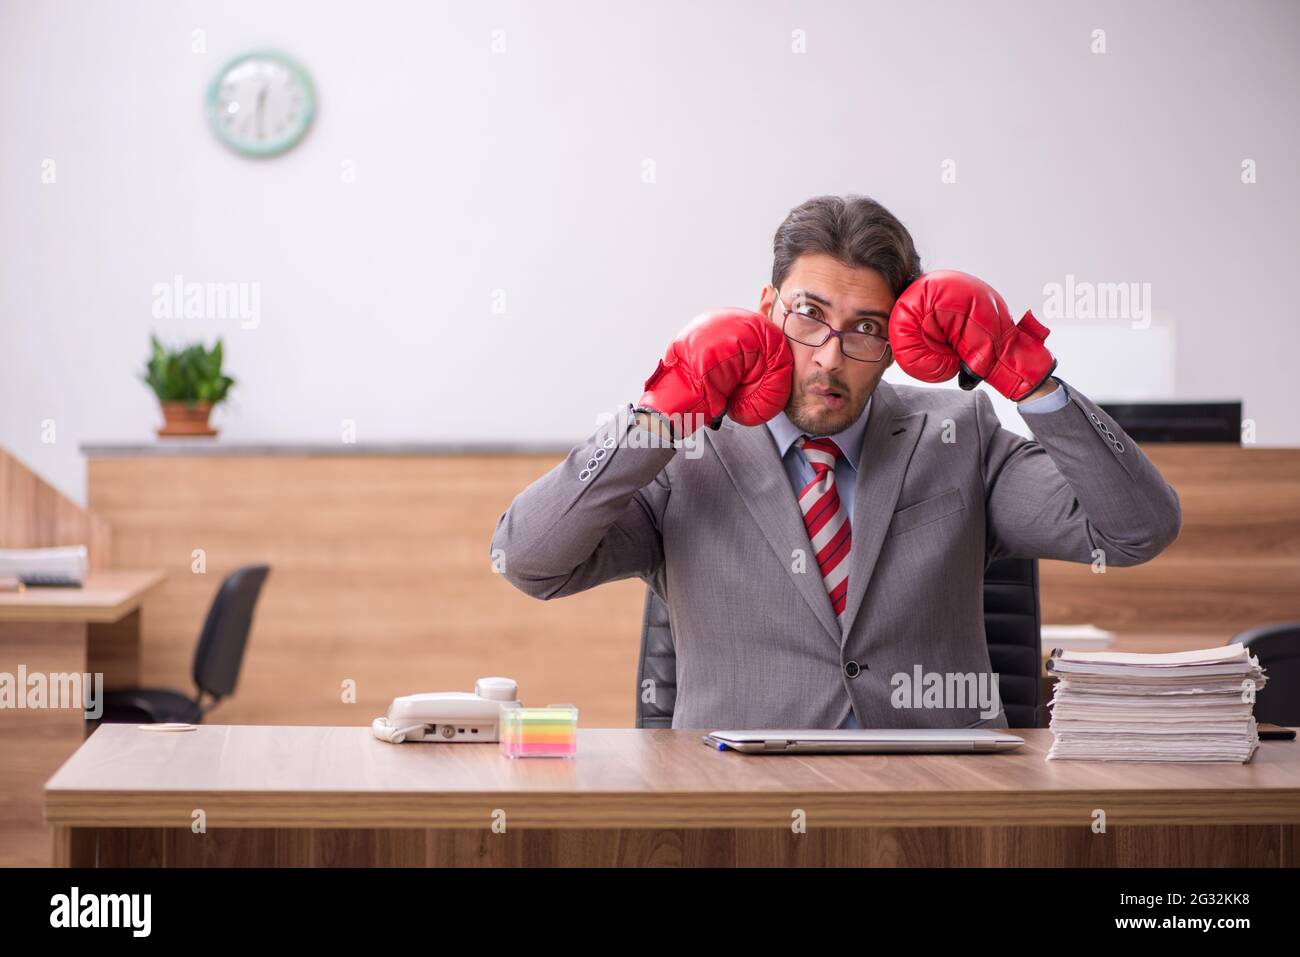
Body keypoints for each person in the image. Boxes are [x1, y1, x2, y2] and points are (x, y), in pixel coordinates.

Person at [489, 194, 1181, 730]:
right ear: (766, 309)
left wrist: (1026, 371)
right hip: (738, 815)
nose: (828, 355)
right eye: (808, 314)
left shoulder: (958, 432)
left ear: (902, 340)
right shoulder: (686, 452)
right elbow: (528, 559)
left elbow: (1134, 530)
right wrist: (659, 412)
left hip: (938, 813)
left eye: (866, 330)